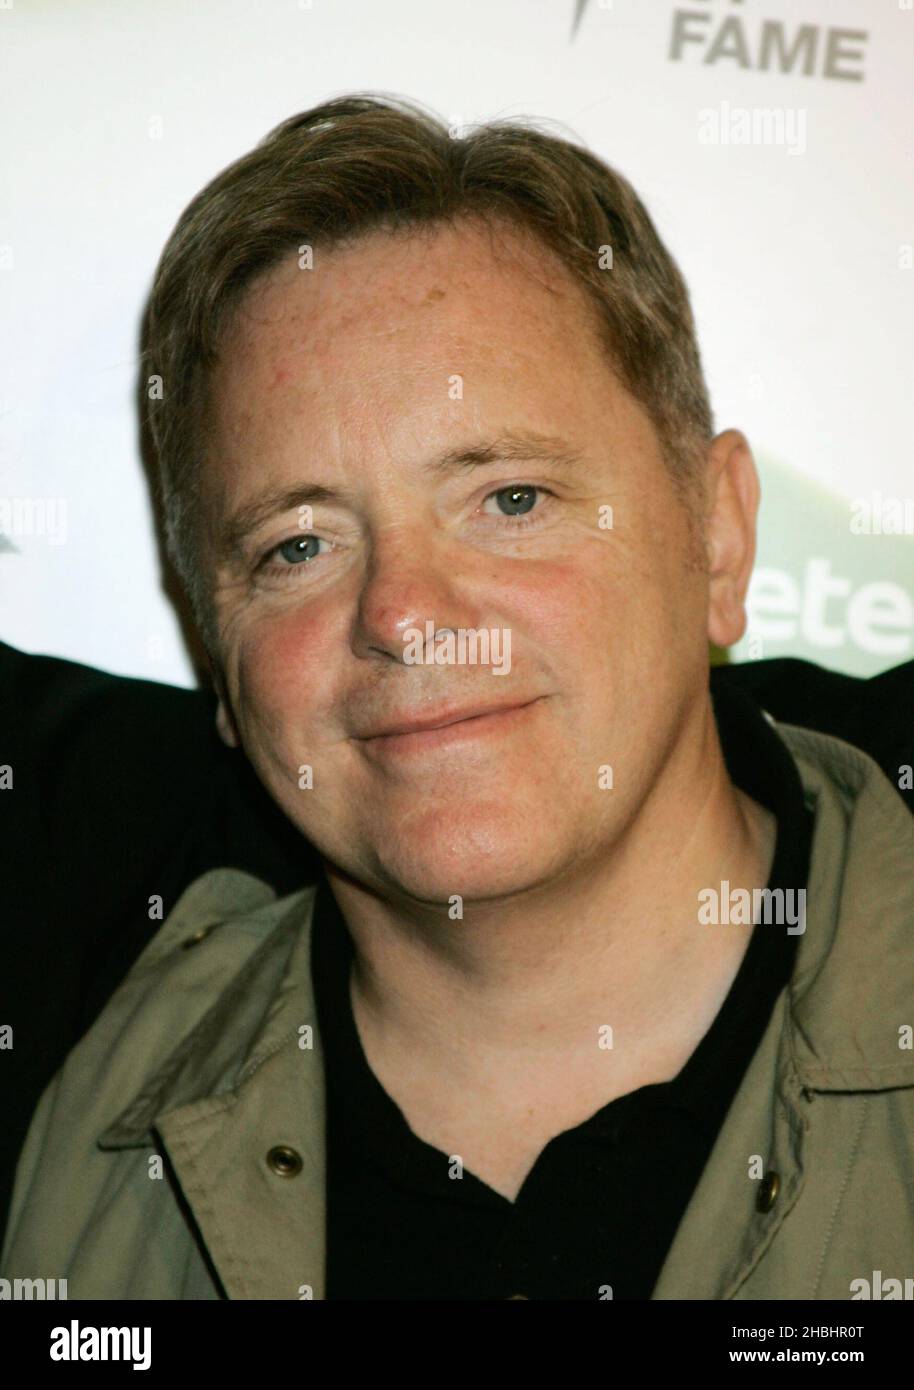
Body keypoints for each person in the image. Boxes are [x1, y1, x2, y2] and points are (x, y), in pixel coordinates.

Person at [2, 94, 912, 1301]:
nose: (403, 615)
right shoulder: (67, 1110)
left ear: (718, 537)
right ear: (212, 651)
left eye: (511, 501)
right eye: (297, 544)